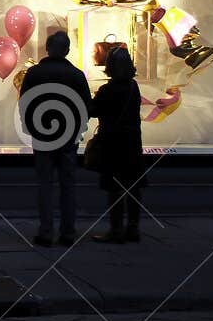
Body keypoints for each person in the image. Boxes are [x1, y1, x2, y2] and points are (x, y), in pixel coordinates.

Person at [18, 30, 91, 247]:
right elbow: (87, 106)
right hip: (69, 136)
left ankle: (46, 231)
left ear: (47, 49)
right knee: (68, 184)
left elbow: (25, 104)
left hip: (43, 135)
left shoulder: (34, 74)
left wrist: (31, 128)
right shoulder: (77, 75)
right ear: (67, 50)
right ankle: (68, 232)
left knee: (45, 184)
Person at [89, 47, 147, 243]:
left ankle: (116, 229)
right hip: (132, 142)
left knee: (114, 187)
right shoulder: (134, 86)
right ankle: (133, 228)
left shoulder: (107, 90)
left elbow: (93, 110)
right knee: (133, 185)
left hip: (112, 142)